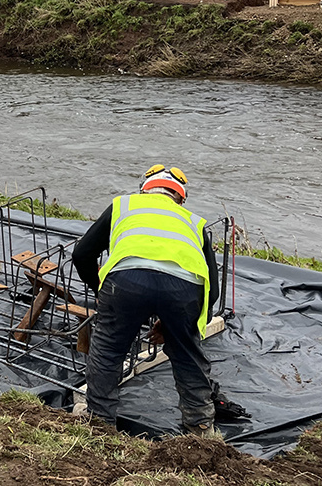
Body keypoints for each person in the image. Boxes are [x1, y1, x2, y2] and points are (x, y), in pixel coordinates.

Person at [71, 165, 223, 436]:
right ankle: (201, 429)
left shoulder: (124, 206)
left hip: (126, 280)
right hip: (185, 288)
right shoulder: (193, 222)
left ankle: (100, 425)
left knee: (108, 350)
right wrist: (177, 326)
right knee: (188, 355)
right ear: (180, 198)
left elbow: (82, 254)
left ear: (144, 189)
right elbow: (212, 292)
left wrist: (102, 291)